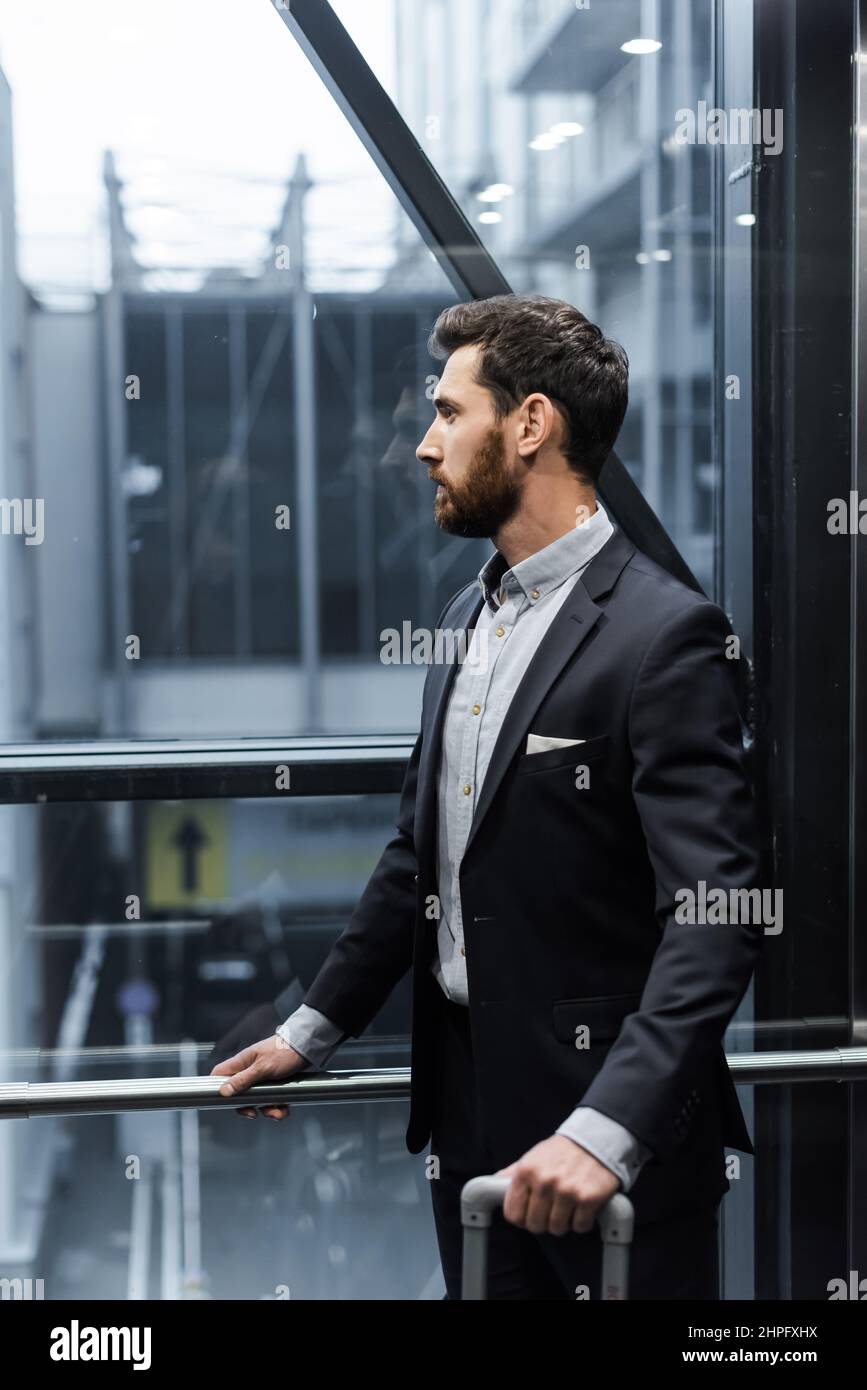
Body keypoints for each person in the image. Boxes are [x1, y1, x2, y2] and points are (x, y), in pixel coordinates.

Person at [212, 293, 763, 1300]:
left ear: (530, 425)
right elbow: (420, 857)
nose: (424, 446)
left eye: (448, 412)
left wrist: (608, 1131)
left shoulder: (666, 635)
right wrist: (308, 1029)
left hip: (604, 1152)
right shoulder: (468, 614)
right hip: (467, 1125)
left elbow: (716, 918)